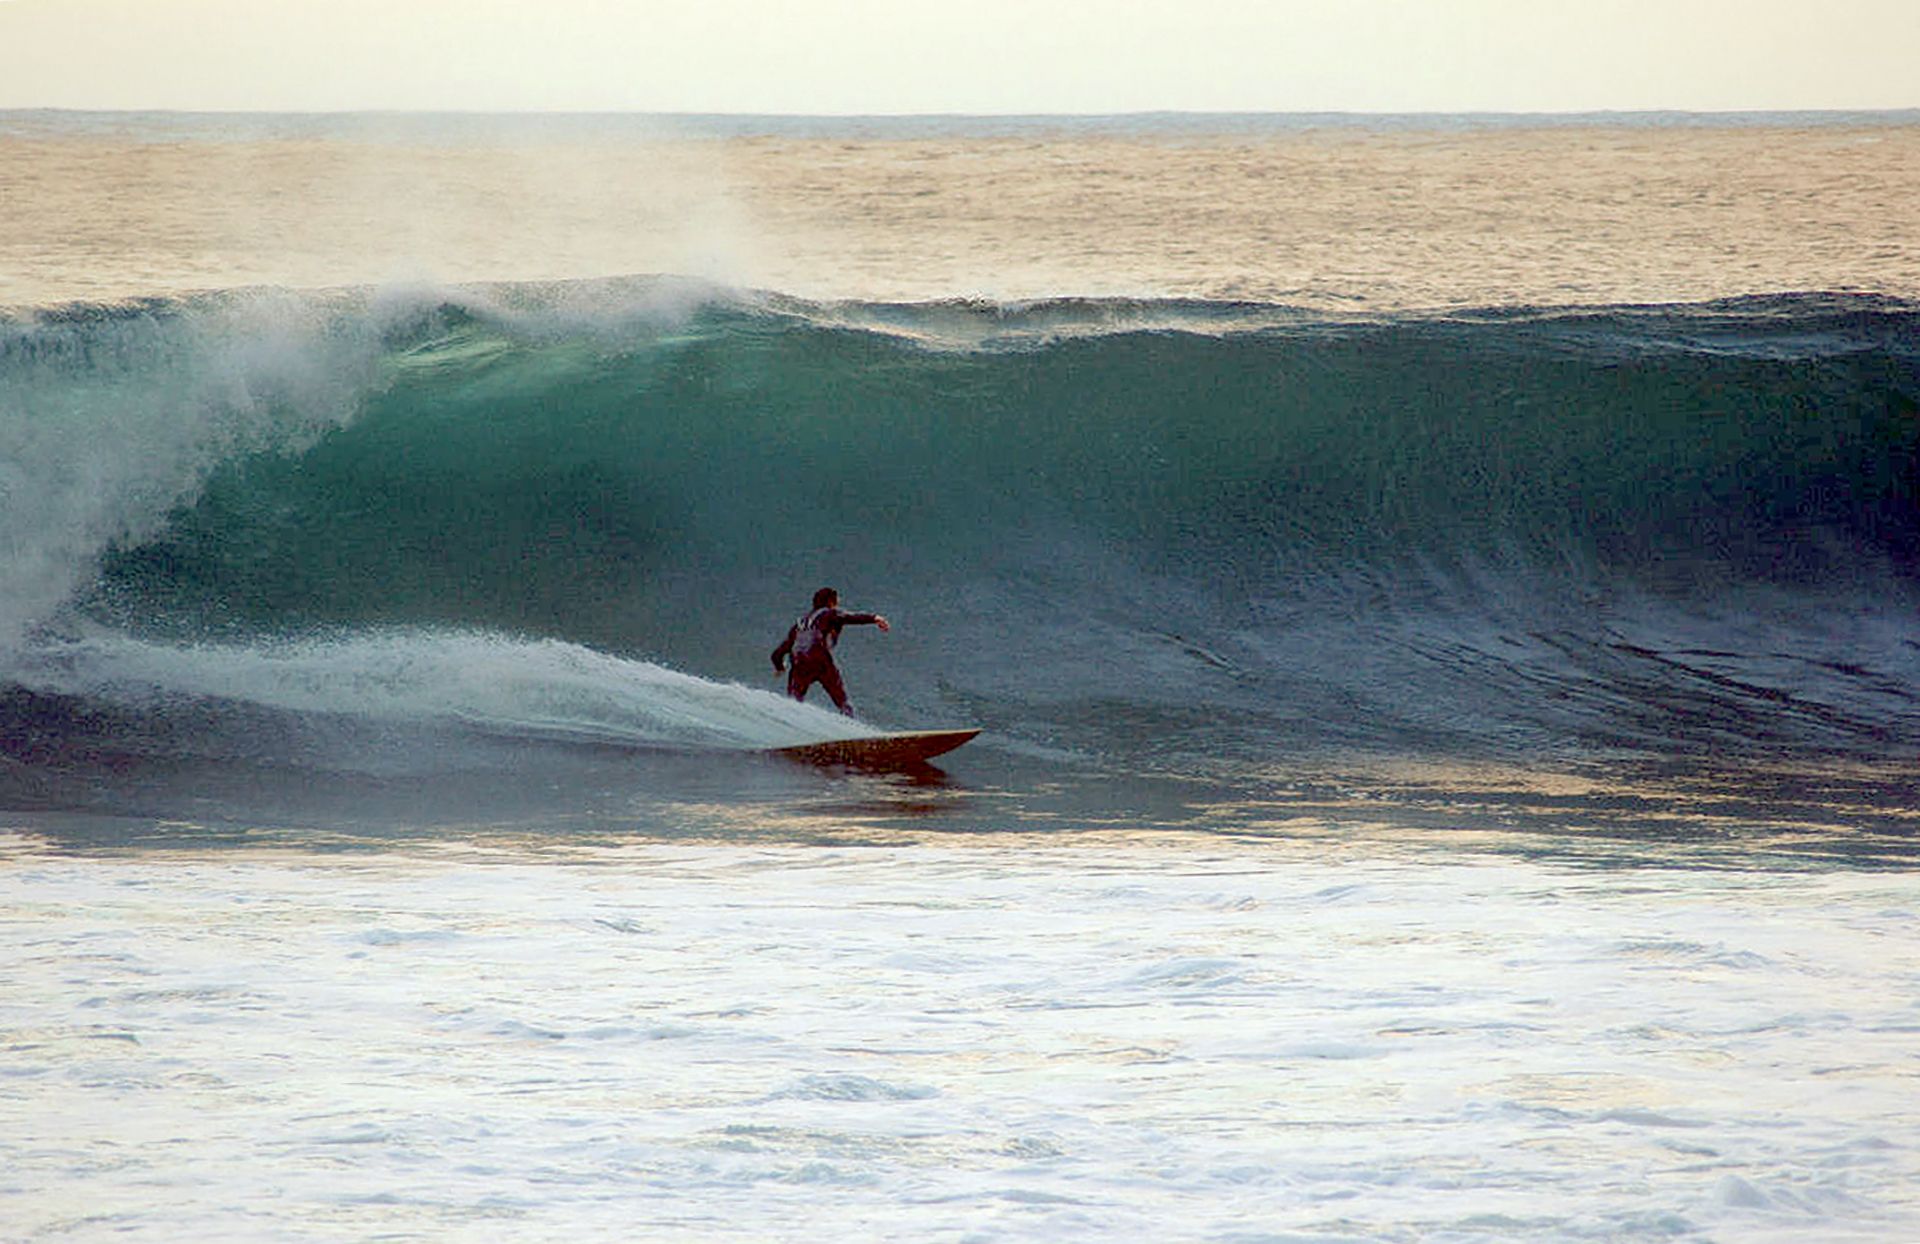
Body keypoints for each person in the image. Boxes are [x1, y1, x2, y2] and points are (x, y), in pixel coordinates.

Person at [770, 586, 891, 715]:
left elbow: (778, 652)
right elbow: (850, 617)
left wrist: (779, 667)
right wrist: (875, 618)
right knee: (841, 698)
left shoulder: (800, 624)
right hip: (819, 658)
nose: (838, 602)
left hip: (799, 661)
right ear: (830, 602)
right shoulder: (829, 613)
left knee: (794, 701)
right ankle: (849, 722)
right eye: (837, 600)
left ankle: (790, 722)